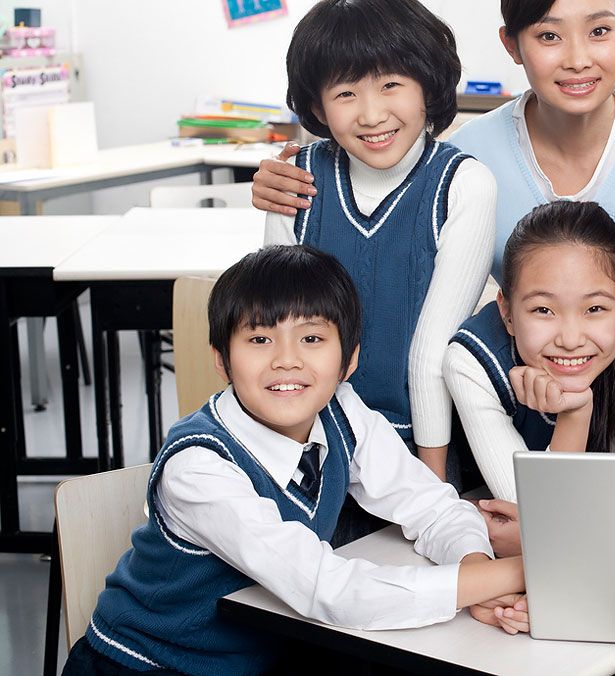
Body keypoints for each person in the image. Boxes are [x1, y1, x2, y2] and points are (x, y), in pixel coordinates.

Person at [63, 246, 526, 676]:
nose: (287, 360)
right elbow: (329, 591)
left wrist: (477, 570)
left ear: (349, 360)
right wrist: (521, 572)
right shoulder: (199, 467)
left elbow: (432, 506)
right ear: (222, 360)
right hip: (146, 664)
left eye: (311, 337)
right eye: (260, 339)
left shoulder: (341, 409)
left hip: (262, 655)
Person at [251, 0, 615, 281]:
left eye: (599, 31)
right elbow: (378, 177)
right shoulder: (469, 156)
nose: (578, 58)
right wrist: (287, 176)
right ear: (512, 45)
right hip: (511, 376)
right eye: (549, 36)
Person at [267, 0, 496, 482]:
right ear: (318, 105)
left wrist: (429, 490)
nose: (371, 115)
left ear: (427, 88)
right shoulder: (296, 182)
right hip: (310, 447)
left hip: (419, 446)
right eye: (346, 93)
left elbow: (433, 349)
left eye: (391, 85)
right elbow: (277, 336)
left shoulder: (463, 185)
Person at [446, 201, 615, 555]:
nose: (570, 339)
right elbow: (543, 512)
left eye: (595, 309)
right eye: (543, 310)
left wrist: (544, 534)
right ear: (506, 311)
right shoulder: (472, 361)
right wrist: (575, 414)